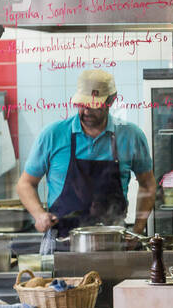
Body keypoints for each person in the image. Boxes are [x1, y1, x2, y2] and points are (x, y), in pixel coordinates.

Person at [17, 69, 155, 253]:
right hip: (62, 242)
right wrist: (39, 215)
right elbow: (25, 183)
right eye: (82, 104)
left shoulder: (130, 136)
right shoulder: (53, 135)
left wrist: (137, 231)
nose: (86, 110)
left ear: (111, 100)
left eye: (94, 105)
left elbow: (148, 184)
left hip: (113, 243)